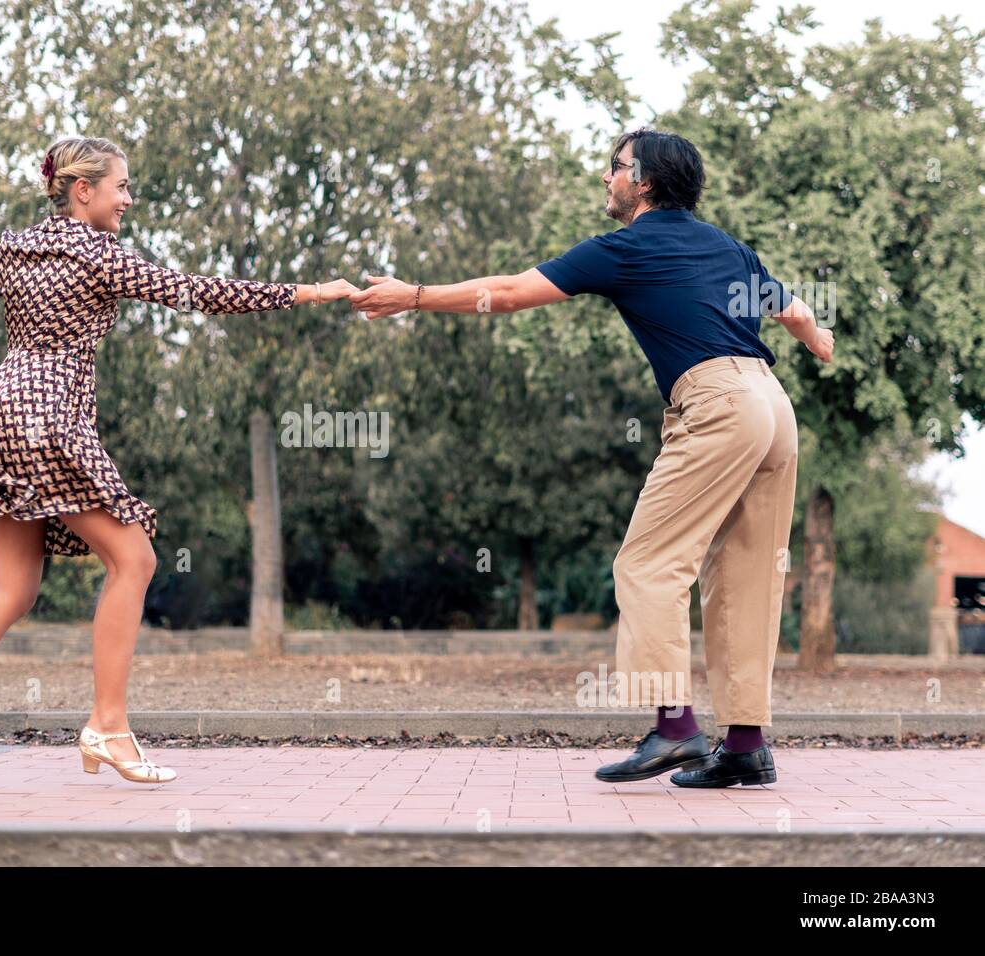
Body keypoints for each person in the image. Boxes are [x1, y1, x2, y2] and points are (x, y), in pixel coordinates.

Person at [0, 135, 358, 789]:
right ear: (83, 190)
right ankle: (108, 727)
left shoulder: (12, 248)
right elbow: (192, 291)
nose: (129, 200)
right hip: (49, 420)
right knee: (134, 558)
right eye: (122, 187)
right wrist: (303, 294)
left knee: (11, 589)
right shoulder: (100, 255)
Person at [351, 127, 834, 788]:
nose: (605, 178)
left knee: (649, 564)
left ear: (645, 183)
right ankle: (745, 744)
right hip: (773, 407)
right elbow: (798, 313)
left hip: (718, 403)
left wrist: (412, 295)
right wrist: (823, 344)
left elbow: (513, 293)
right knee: (751, 574)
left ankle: (675, 730)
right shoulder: (730, 248)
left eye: (615, 167)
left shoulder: (626, 249)